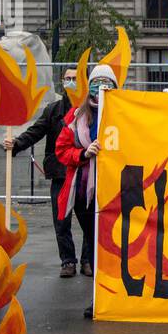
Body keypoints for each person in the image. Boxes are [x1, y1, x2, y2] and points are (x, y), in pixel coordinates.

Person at [4, 66, 82, 278]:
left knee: (88, 220)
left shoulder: (90, 109)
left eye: (75, 78)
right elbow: (35, 132)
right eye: (68, 78)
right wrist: (16, 143)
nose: (71, 82)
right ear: (62, 82)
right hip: (60, 173)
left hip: (85, 174)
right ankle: (68, 261)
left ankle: (87, 261)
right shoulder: (54, 110)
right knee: (61, 221)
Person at [56, 65, 117, 318]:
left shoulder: (123, 113)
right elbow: (61, 151)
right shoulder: (75, 117)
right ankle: (97, 300)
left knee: (111, 247)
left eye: (107, 82)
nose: (100, 87)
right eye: (96, 81)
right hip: (85, 194)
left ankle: (114, 297)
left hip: (116, 192)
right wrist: (83, 153)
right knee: (94, 245)